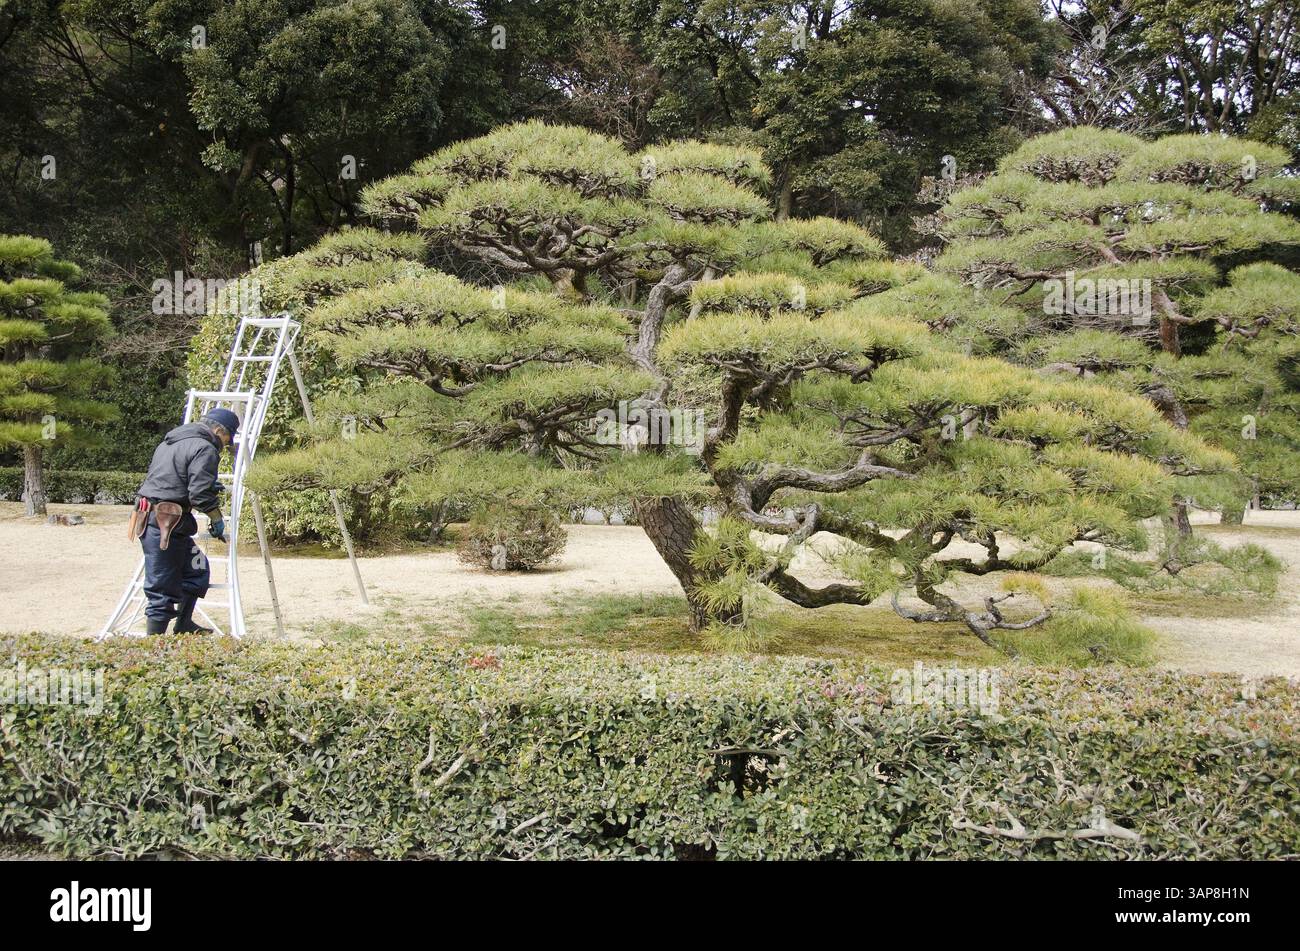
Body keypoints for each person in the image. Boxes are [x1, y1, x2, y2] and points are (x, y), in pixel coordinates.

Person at [131, 408, 238, 635]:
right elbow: (198, 495)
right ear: (218, 430)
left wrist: (208, 484)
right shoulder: (205, 448)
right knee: (161, 589)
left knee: (196, 571)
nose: (227, 443)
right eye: (228, 437)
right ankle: (153, 648)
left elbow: (173, 478)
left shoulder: (170, 442)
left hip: (159, 520)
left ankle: (184, 624)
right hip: (164, 524)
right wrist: (216, 516)